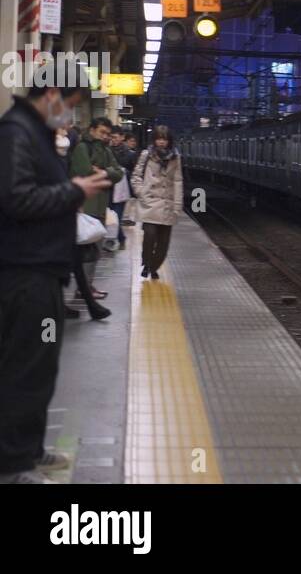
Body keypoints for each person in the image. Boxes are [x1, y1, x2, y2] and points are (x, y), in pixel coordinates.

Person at [0, 84, 111, 484]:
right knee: (23, 369)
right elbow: (15, 199)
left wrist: (69, 195)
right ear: (51, 95)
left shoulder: (36, 134)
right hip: (23, 273)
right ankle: (12, 467)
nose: (72, 119)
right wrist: (73, 190)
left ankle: (27, 450)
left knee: (40, 368)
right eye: (71, 108)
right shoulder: (16, 132)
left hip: (42, 270)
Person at [69, 117, 122, 296]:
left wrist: (104, 171)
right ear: (92, 130)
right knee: (87, 251)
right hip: (85, 205)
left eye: (107, 133)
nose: (105, 136)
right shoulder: (82, 147)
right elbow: (85, 171)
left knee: (94, 250)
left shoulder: (106, 150)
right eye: (102, 132)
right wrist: (106, 174)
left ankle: (86, 287)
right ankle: (83, 288)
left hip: (100, 206)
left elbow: (119, 173)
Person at [132, 126, 184, 279]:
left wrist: (177, 205)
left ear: (169, 141)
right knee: (149, 235)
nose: (161, 142)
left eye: (164, 139)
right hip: (150, 202)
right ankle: (147, 264)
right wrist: (141, 192)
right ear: (154, 140)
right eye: (159, 139)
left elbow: (178, 181)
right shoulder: (146, 155)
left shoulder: (176, 157)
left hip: (167, 203)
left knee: (163, 244)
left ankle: (154, 267)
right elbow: (136, 176)